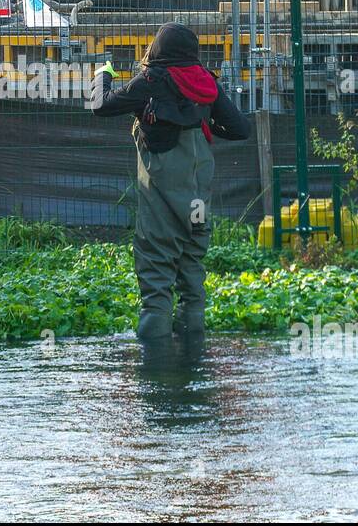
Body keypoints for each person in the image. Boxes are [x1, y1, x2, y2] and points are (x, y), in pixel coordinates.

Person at [92, 23, 251, 340]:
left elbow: (101, 105)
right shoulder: (206, 84)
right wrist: (202, 123)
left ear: (158, 51)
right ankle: (194, 351)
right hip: (197, 201)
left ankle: (157, 368)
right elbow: (240, 129)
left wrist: (102, 75)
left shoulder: (151, 80)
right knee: (192, 265)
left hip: (162, 201)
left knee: (156, 271)